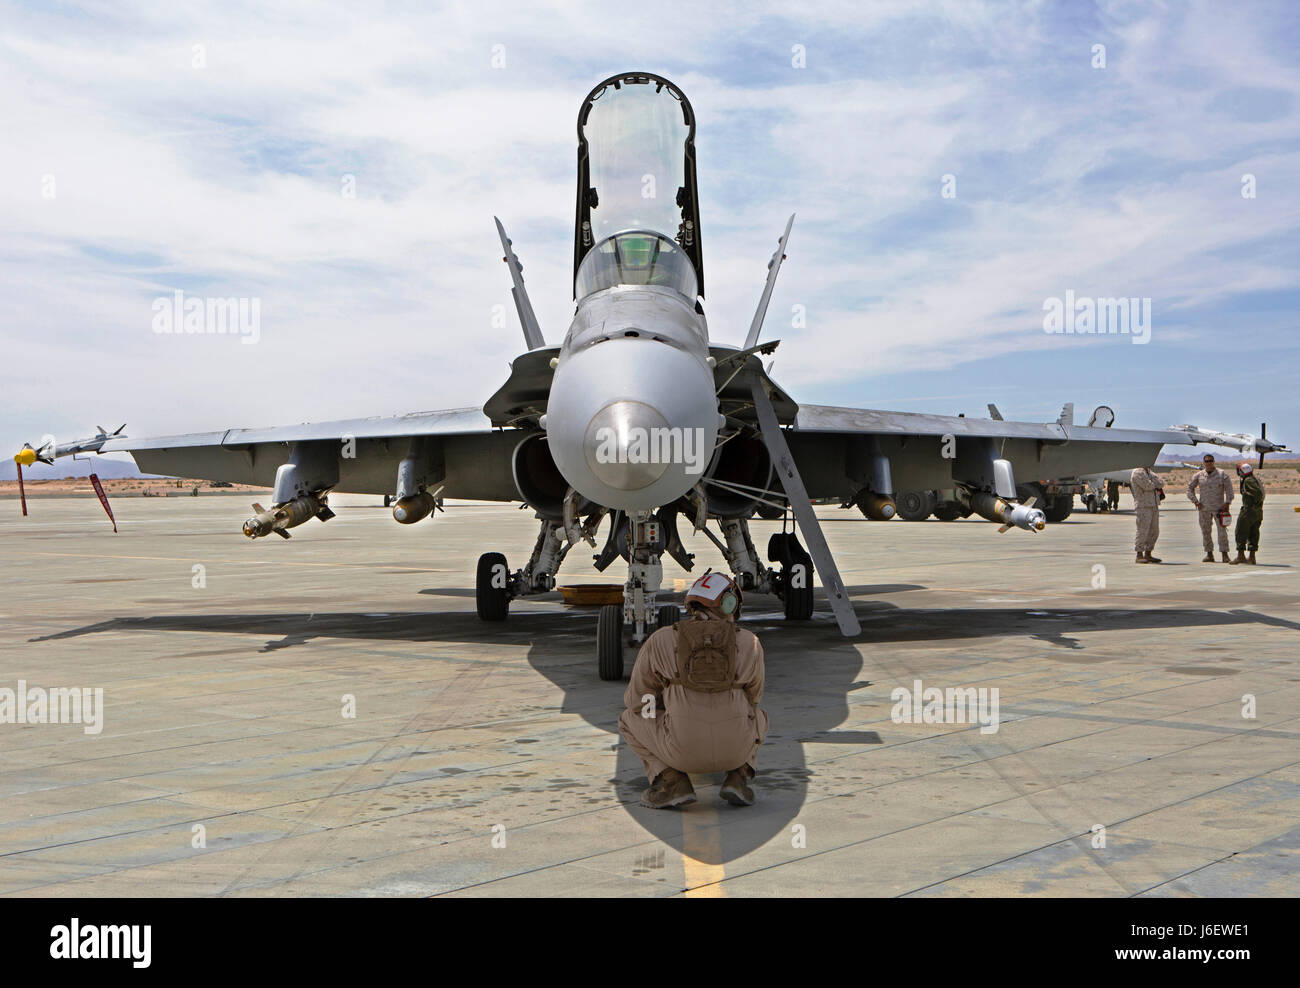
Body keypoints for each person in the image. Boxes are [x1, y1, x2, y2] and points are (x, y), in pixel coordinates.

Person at [618, 571, 768, 809]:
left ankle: (673, 782)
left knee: (628, 719)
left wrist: (664, 707)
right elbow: (755, 697)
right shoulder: (751, 643)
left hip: (679, 751)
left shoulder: (661, 640)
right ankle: (738, 778)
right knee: (760, 716)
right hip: (736, 751)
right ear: (729, 605)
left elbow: (636, 701)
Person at [1187, 453, 1234, 562]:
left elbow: (1229, 490)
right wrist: (1195, 501)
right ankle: (1209, 554)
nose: (1209, 463)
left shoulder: (1222, 474)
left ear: (1214, 462)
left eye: (1211, 461)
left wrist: (1227, 503)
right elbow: (1189, 489)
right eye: (1207, 461)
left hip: (1219, 508)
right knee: (1205, 531)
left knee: (1222, 532)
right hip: (1204, 508)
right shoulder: (1199, 475)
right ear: (1204, 463)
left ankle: (1224, 554)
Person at [1229, 462, 1266, 565]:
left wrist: (1252, 505)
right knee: (1254, 533)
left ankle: (1241, 556)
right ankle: (1252, 557)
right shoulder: (1254, 479)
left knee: (1240, 532)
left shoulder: (1249, 481)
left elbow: (1257, 494)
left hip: (1249, 511)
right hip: (1258, 511)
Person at [1129, 464, 1164, 563]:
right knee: (1143, 530)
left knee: (1154, 531)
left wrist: (1154, 483)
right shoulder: (1137, 472)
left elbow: (1161, 483)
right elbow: (1148, 486)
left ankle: (1148, 553)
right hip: (1143, 505)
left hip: (1153, 504)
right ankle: (1139, 554)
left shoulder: (1149, 472)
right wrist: (1154, 484)